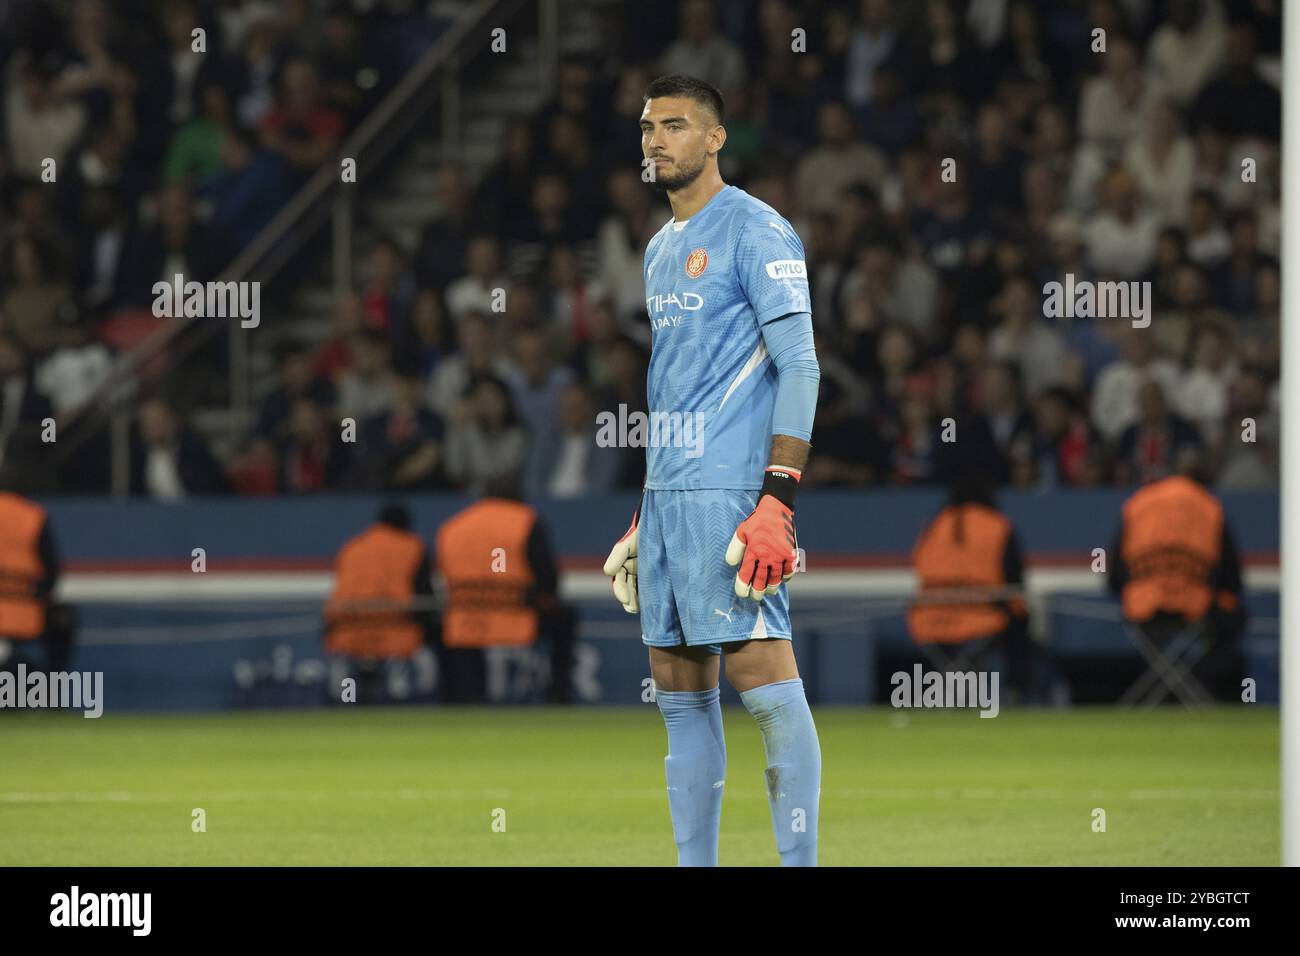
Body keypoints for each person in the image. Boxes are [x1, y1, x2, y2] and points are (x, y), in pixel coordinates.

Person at [602, 76, 822, 866]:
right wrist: (643, 511)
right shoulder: (660, 248)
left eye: (675, 125)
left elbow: (800, 366)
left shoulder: (758, 230)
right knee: (679, 699)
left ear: (716, 139)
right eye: (647, 128)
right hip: (670, 502)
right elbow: (675, 388)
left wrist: (777, 502)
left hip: (734, 500)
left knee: (766, 686)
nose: (655, 141)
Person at [1106, 454, 1246, 702]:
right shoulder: (1210, 507)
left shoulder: (1138, 502)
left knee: (1156, 652)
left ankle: (1155, 697)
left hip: (1142, 607)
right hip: (1195, 605)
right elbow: (1232, 578)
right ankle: (1204, 691)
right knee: (1234, 618)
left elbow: (1113, 573)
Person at [434, 470, 570, 704]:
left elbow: (442, 575)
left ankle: (461, 697)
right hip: (517, 613)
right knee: (565, 620)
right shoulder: (526, 520)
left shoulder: (452, 526)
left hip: (465, 617)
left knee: (444, 627)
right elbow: (547, 576)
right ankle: (557, 695)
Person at [907, 474, 1033, 700]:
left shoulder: (936, 524)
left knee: (952, 656)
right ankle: (1015, 690)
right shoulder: (997, 525)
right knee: (1021, 617)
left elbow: (917, 565)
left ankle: (946, 691)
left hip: (929, 616)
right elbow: (1014, 578)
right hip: (982, 615)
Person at [323, 503, 434, 704]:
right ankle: (402, 703)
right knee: (410, 674)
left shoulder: (352, 547)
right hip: (397, 633)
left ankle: (343, 702)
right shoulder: (413, 547)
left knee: (344, 686)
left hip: (348, 633)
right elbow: (425, 600)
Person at [0, 466, 73, 675]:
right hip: (27, 612)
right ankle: (51, 692)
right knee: (63, 618)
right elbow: (52, 572)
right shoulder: (33, 516)